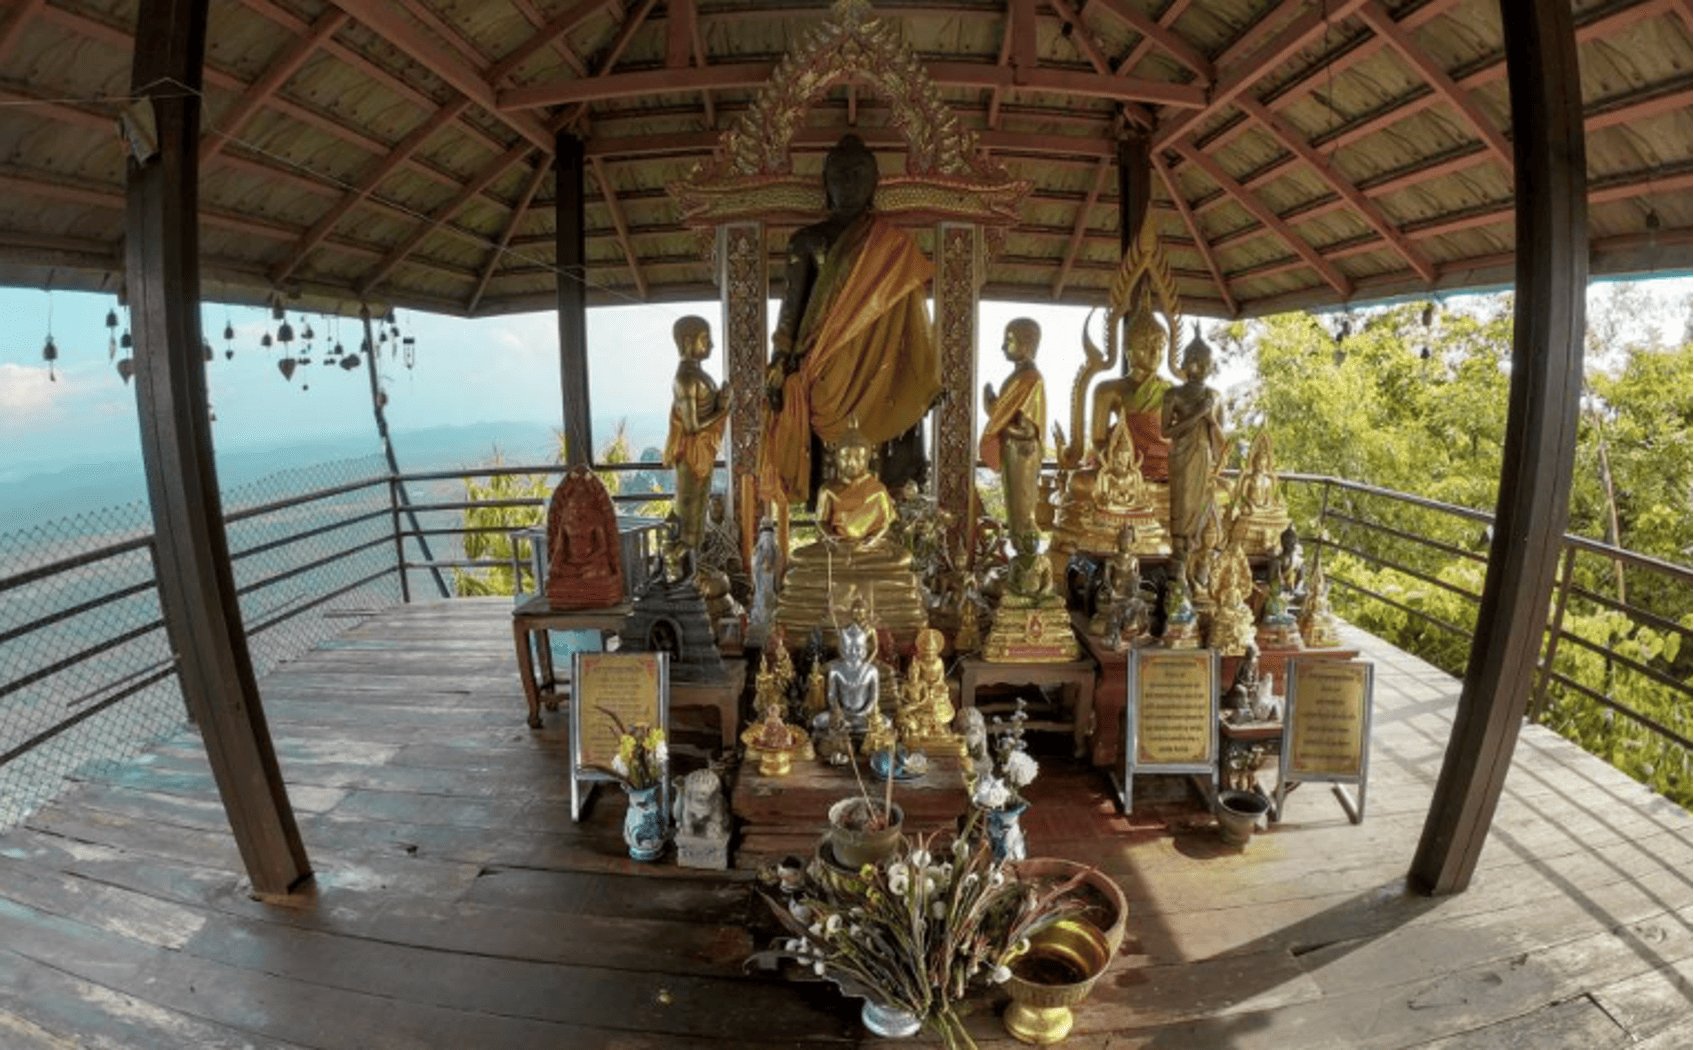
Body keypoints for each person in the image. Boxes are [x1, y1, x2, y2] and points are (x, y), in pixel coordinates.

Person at [759, 134, 942, 506]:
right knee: (827, 465)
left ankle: (879, 525)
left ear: (874, 183)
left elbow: (910, 323)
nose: (849, 182)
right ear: (826, 183)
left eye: (859, 173)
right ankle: (831, 526)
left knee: (893, 444)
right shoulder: (807, 242)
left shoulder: (894, 247)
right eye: (840, 174)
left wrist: (924, 376)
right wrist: (779, 359)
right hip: (826, 365)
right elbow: (791, 309)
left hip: (881, 364)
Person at [663, 316, 731, 550]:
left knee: (700, 510)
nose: (710, 345)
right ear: (687, 341)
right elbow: (691, 426)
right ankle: (684, 565)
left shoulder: (699, 374)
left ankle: (695, 562)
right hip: (691, 455)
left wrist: (720, 401)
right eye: (705, 339)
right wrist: (722, 411)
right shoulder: (685, 379)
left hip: (703, 452)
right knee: (689, 512)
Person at [980, 318, 1047, 542]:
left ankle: (1027, 556)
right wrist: (996, 412)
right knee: (1013, 507)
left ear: (1026, 345)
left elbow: (1027, 431)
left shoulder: (1030, 378)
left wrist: (993, 413)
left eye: (1009, 340)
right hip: (1013, 450)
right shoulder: (1019, 376)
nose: (1003, 346)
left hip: (1023, 452)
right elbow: (1008, 415)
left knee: (1022, 508)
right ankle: (1020, 554)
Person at [1161, 325, 1226, 553]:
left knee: (1201, 504)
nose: (1202, 367)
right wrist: (1198, 414)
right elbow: (1165, 432)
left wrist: (1210, 419)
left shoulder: (1215, 396)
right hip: (1181, 453)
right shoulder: (1173, 394)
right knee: (1183, 501)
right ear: (1187, 363)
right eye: (1197, 360)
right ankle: (1179, 548)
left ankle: (1197, 547)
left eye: (1207, 362)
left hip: (1204, 454)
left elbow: (1221, 440)